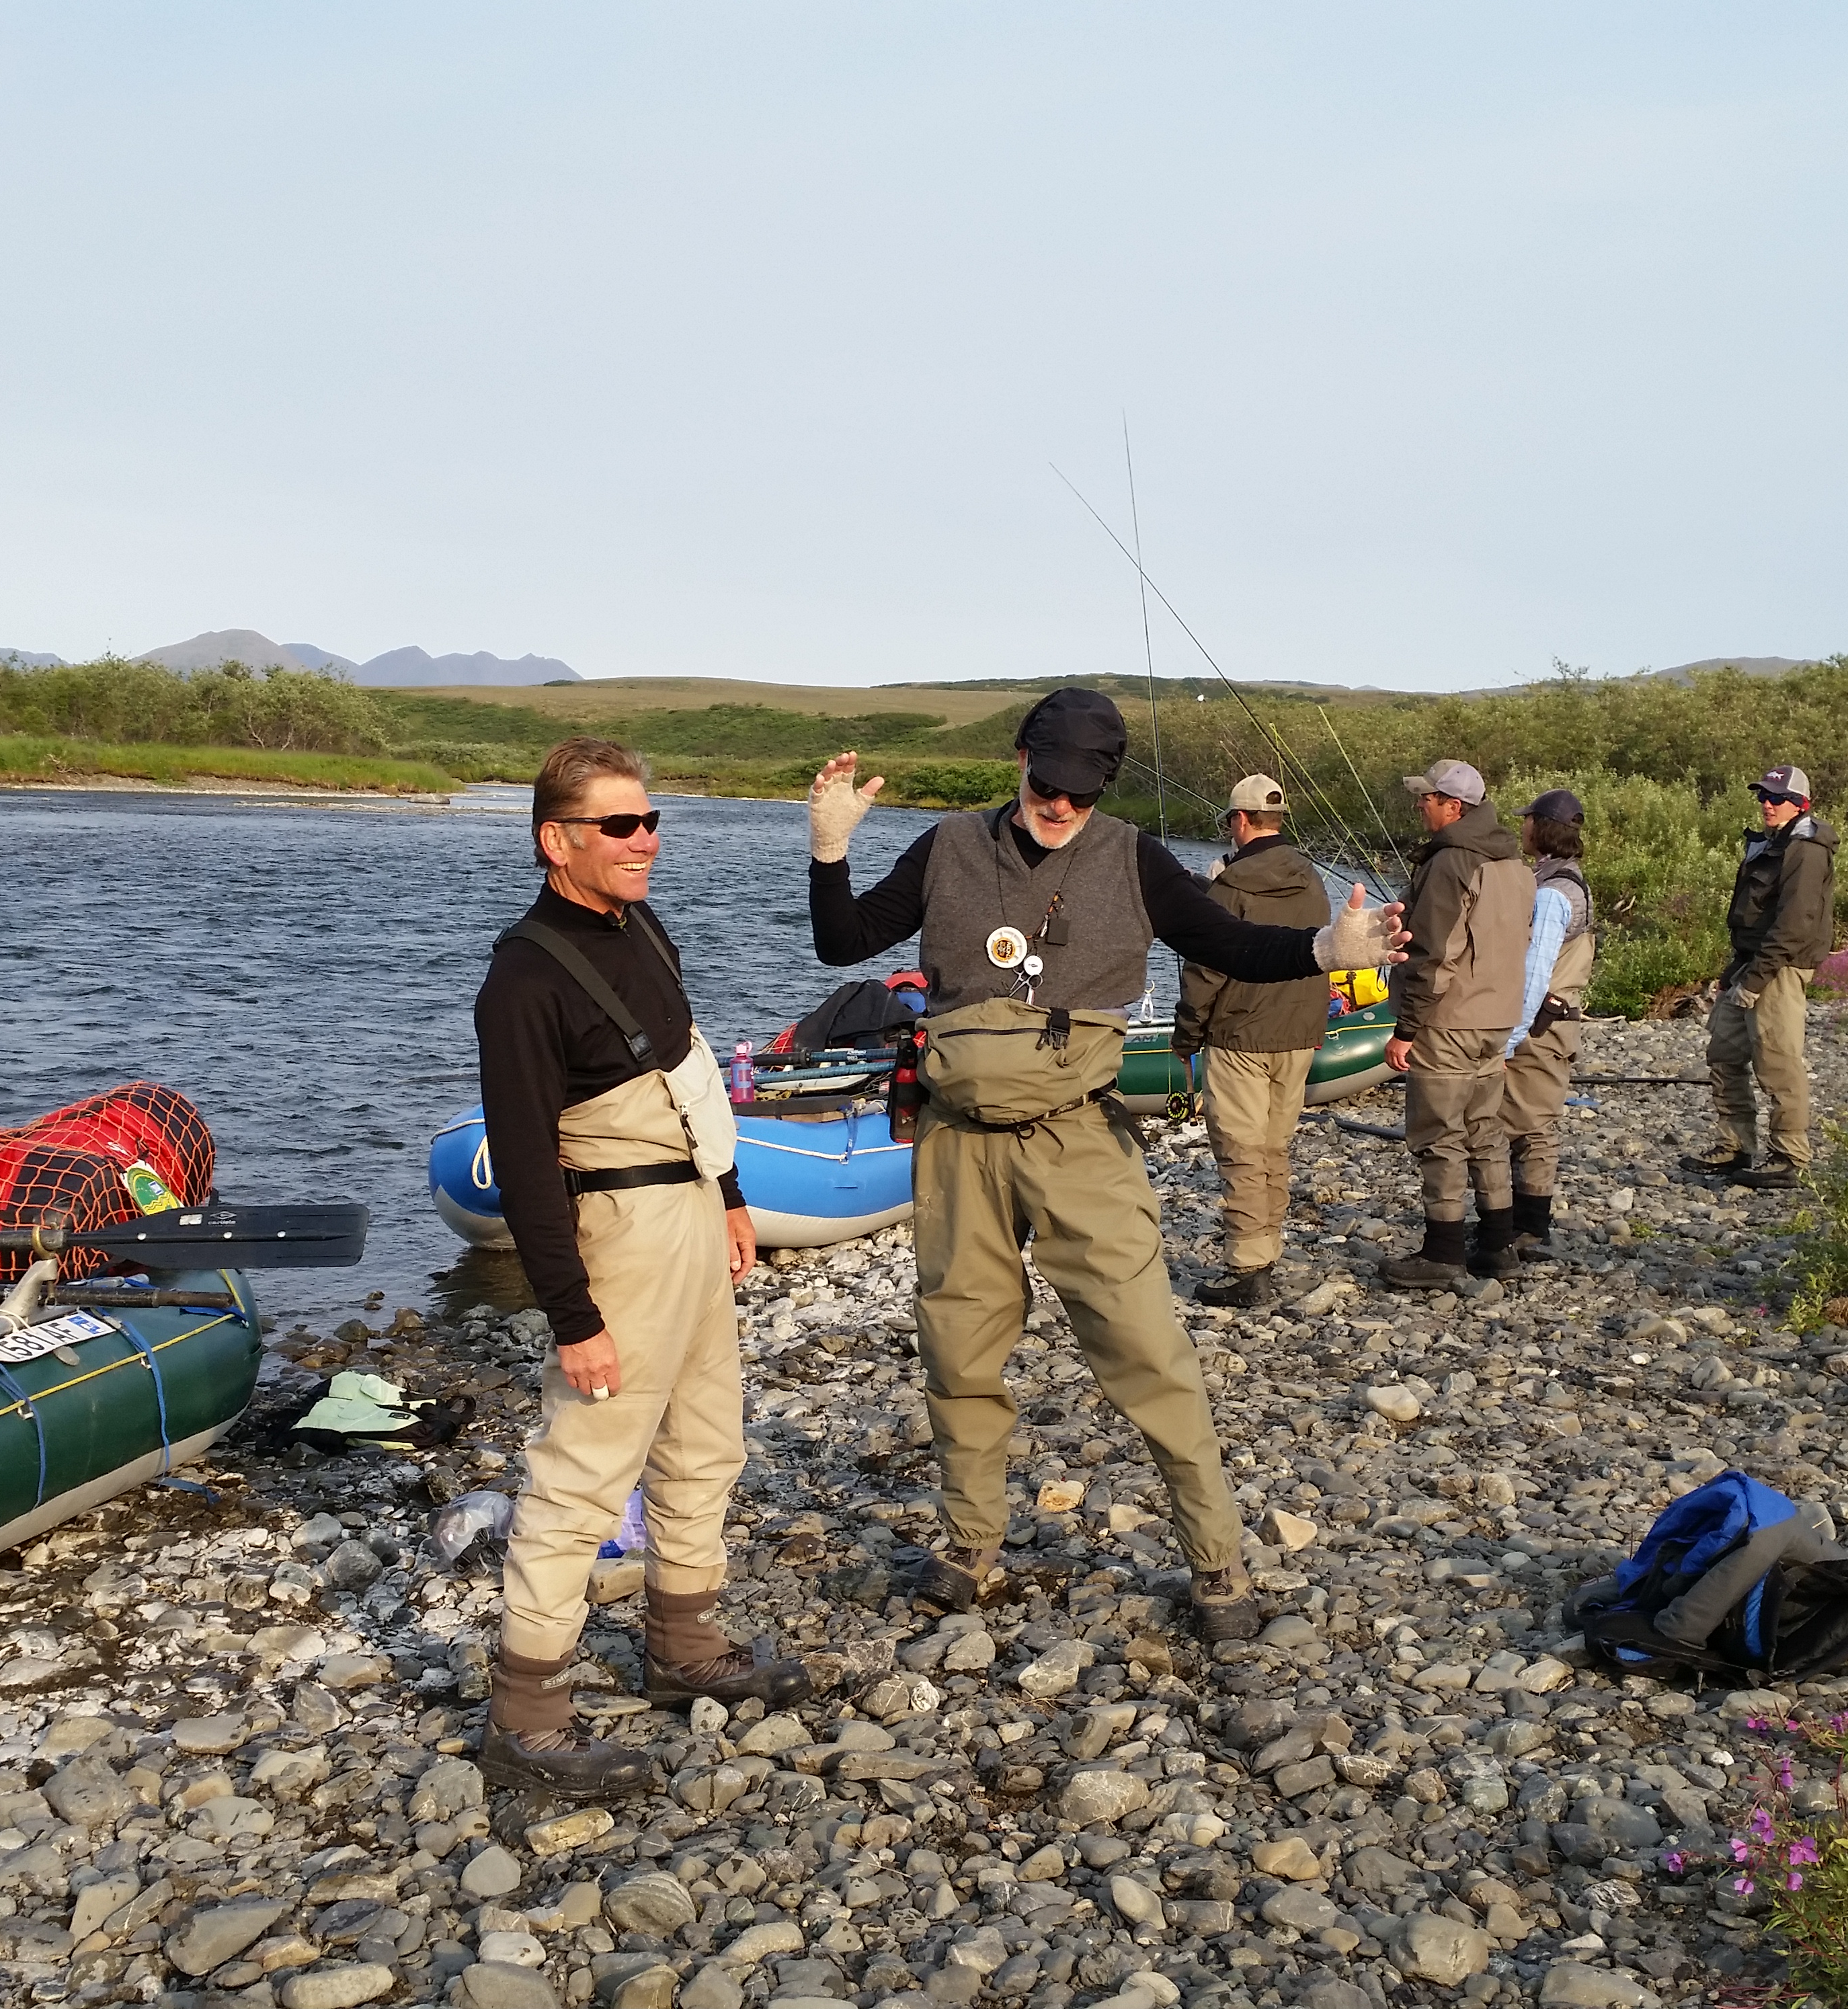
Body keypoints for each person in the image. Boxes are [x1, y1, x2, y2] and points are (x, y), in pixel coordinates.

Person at [806, 691, 1402, 1641]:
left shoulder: (1131, 855)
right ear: (1020, 762)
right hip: (958, 1143)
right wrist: (830, 850)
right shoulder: (950, 848)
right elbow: (842, 942)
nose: (1062, 807)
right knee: (956, 1352)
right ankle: (968, 1546)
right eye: (1049, 785)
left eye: (1082, 793)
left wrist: (1327, 950)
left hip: (1079, 1139)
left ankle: (1217, 1565)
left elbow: (1226, 942)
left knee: (1147, 1352)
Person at [472, 738, 814, 1801]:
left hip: (692, 1222)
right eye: (620, 826)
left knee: (707, 1441)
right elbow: (527, 1161)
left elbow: (689, 1076)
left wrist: (731, 1197)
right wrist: (573, 1317)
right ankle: (527, 1710)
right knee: (583, 1471)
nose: (646, 841)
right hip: (616, 1236)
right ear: (555, 841)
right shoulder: (522, 978)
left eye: (651, 820)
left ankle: (683, 1642)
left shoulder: (646, 929)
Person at [1174, 774, 1333, 1311]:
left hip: (1241, 1032)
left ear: (1240, 822)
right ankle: (1267, 1249)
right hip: (1298, 1032)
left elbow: (1206, 969)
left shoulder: (1231, 885)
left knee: (1240, 1150)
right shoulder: (1311, 878)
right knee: (1272, 1146)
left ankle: (1249, 1268)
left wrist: (1187, 1033)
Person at [1380, 758, 1531, 1290]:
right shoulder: (1515, 866)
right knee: (1485, 1131)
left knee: (1439, 1135)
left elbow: (1433, 955)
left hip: (1449, 1022)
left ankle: (1443, 1254)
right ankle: (1499, 1246)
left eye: (1427, 798)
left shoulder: (1451, 864)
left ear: (1455, 807)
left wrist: (1406, 1029)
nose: (1420, 805)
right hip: (1496, 1020)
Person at [1704, 764, 1837, 1190]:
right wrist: (1735, 973)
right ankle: (1734, 1146)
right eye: (1763, 795)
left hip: (1778, 969)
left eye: (1776, 797)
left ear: (1800, 803)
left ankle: (1789, 1156)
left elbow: (1794, 925)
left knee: (1778, 1062)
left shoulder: (1807, 848)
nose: (1766, 803)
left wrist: (1756, 980)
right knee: (1724, 1052)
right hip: (1752, 962)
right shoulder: (1771, 842)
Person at [1492, 789, 1597, 1261]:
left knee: (1527, 1126)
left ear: (1541, 827)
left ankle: (1528, 1228)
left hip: (1541, 1024)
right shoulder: (1558, 881)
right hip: (1548, 1021)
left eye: (1528, 820)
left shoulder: (1555, 893)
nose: (1522, 827)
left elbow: (1535, 973)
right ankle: (1522, 1223)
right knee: (1531, 1123)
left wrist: (1509, 1038)